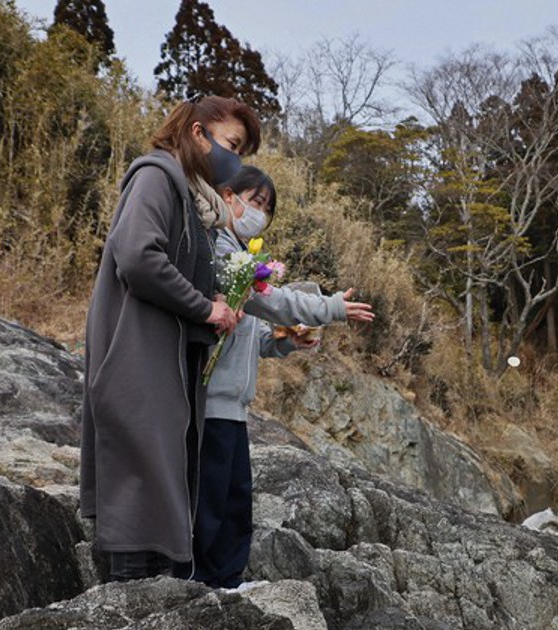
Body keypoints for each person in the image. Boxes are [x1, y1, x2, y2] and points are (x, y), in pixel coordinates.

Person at [80, 96, 261, 582]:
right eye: (232, 144)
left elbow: (173, 267)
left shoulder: (191, 199)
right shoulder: (157, 177)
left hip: (164, 363)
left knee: (161, 496)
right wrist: (205, 308)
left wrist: (218, 297)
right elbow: (138, 256)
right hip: (137, 360)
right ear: (197, 132)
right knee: (142, 498)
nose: (235, 160)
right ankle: (133, 606)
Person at [192, 166, 376, 588]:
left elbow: (257, 337)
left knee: (235, 500)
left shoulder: (243, 254)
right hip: (210, 398)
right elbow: (273, 301)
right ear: (227, 195)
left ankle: (227, 582)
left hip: (235, 404)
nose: (258, 213)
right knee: (211, 500)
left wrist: (289, 341)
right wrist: (330, 308)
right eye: (253, 201)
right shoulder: (218, 249)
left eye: (266, 209)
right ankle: (200, 583)